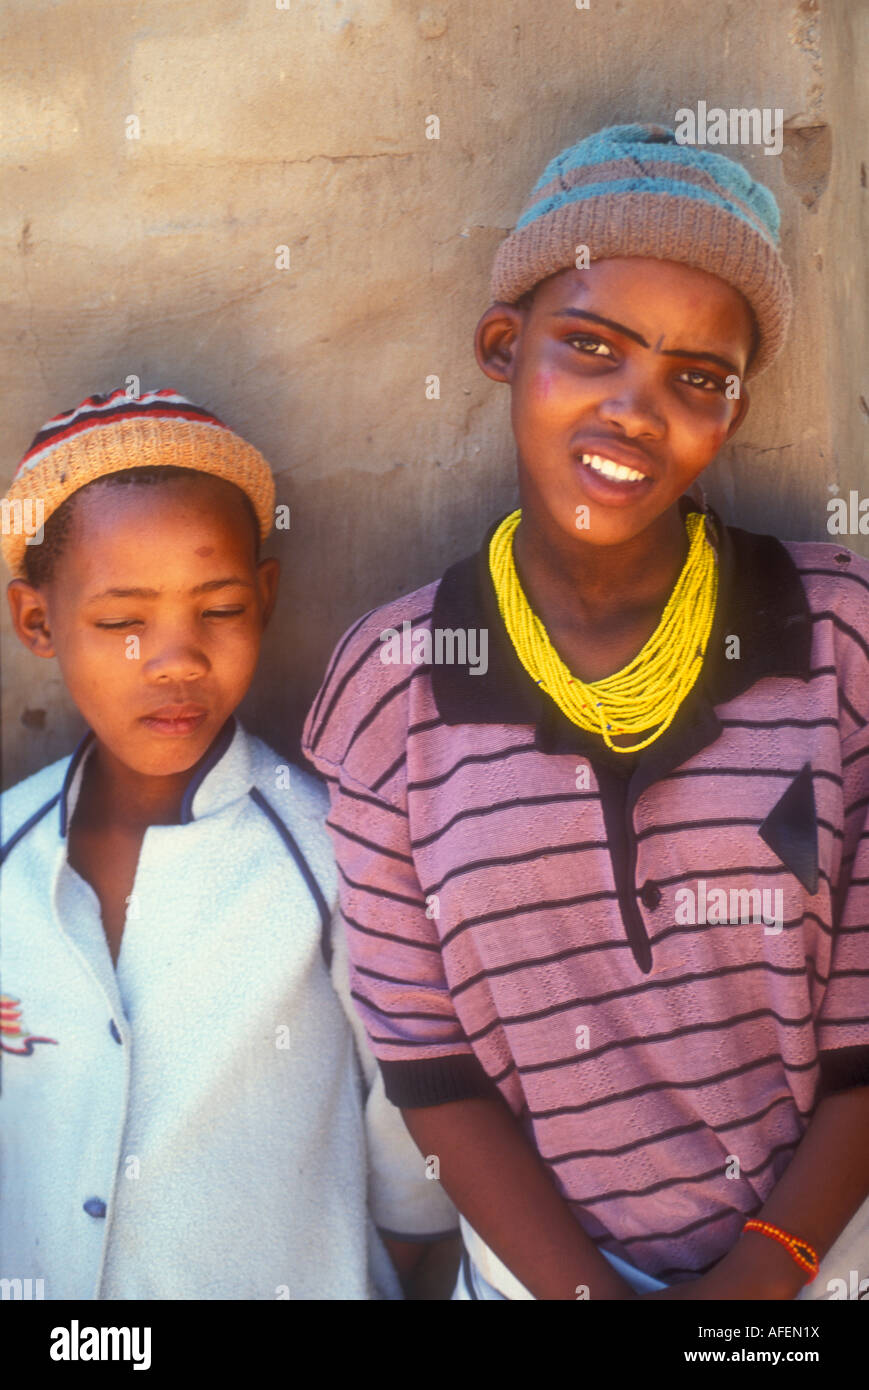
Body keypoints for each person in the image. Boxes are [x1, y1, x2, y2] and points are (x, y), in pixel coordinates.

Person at [300, 124, 869, 1300]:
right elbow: (431, 1071)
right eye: (590, 347)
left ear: (732, 411)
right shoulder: (389, 687)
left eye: (694, 379)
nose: (633, 410)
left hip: (815, 1272)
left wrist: (750, 1297)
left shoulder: (841, 642)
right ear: (504, 346)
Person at [0, 386, 456, 1299]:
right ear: (37, 622)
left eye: (218, 608)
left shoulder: (335, 856)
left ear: (265, 597)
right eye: (123, 622)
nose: (177, 658)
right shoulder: (9, 858)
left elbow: (416, 1128)